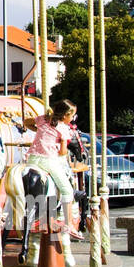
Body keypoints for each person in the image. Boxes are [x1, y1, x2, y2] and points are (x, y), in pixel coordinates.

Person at [25, 98, 85, 242]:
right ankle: (69, 224)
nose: (72, 119)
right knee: (67, 190)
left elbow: (26, 122)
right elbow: (63, 153)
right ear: (65, 115)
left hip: (32, 158)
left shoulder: (43, 119)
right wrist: (59, 144)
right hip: (47, 160)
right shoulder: (64, 128)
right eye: (72, 116)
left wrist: (37, 129)